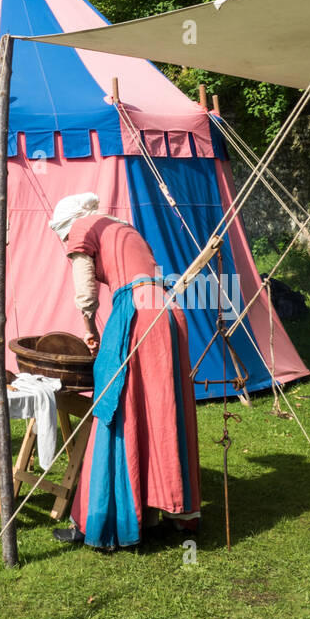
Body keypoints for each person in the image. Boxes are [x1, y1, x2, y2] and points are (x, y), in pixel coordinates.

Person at [49, 192, 201, 548]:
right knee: (162, 411)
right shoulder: (124, 227)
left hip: (135, 314)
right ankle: (172, 512)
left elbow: (85, 291)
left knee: (114, 408)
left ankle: (101, 520)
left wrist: (89, 327)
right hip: (167, 311)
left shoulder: (83, 229)